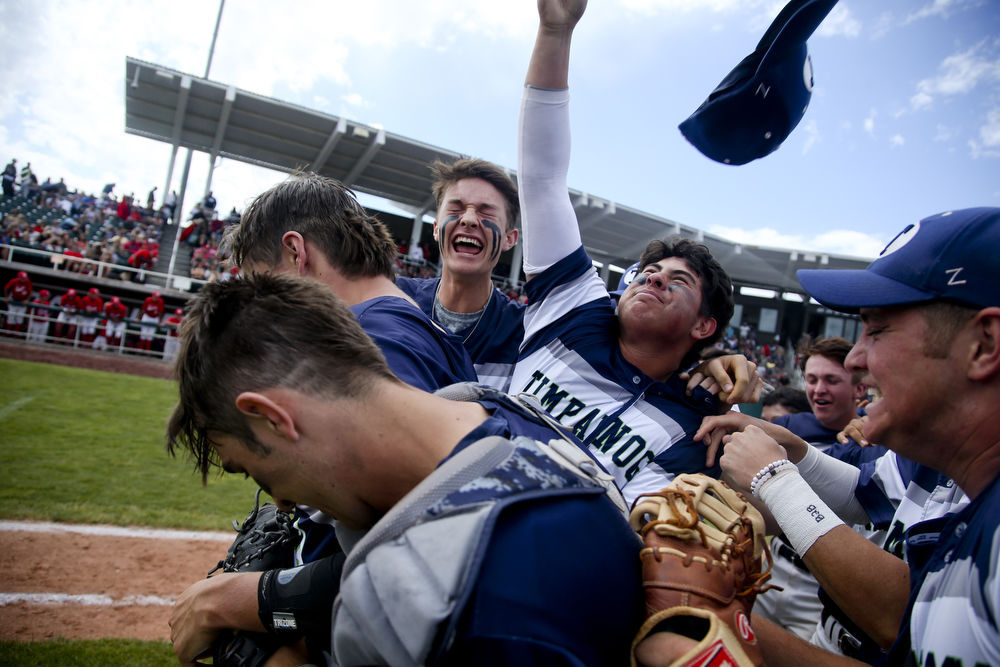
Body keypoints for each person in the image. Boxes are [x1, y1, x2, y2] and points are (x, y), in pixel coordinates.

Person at [166, 272, 644, 665]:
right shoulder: (512, 414)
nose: (283, 502)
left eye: (257, 472)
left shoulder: (458, 600)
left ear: (273, 418)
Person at [697, 207, 999, 666]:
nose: (855, 359)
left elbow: (901, 619)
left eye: (877, 329)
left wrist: (776, 479)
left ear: (984, 346)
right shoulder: (938, 461)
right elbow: (862, 494)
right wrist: (792, 449)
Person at [511, 0, 759, 506]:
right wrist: (555, 30)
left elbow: (632, 522)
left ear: (704, 327)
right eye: (649, 271)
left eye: (678, 281)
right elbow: (541, 181)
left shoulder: (695, 427)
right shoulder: (574, 304)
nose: (653, 280)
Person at [396, 158, 526, 390]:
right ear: (436, 229)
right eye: (456, 209)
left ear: (510, 239)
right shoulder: (392, 299)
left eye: (486, 213)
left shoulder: (525, 332)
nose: (468, 219)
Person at [4, 270, 33, 336]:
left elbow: (31, 292)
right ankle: (7, 332)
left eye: (24, 278)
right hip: (13, 300)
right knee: (11, 316)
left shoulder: (27, 282)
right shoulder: (14, 281)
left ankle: (16, 334)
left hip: (22, 302)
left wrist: (27, 300)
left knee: (19, 317)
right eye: (22, 278)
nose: (24, 280)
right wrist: (6, 297)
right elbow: (6, 288)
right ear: (19, 277)